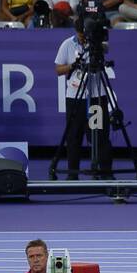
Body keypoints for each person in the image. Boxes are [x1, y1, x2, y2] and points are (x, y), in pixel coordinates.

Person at [53, 15, 114, 180]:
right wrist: (73, 65)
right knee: (74, 136)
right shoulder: (67, 44)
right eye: (80, 34)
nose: (82, 37)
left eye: (84, 34)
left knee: (100, 135)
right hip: (74, 97)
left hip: (96, 96)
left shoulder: (96, 44)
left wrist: (95, 44)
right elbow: (58, 70)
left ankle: (106, 173)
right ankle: (73, 174)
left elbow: (106, 50)